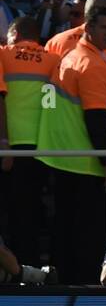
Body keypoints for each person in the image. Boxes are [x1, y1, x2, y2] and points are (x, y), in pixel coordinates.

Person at [36, 3, 106, 284]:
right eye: (104, 28)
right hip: (87, 163)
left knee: (66, 230)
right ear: (87, 28)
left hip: (68, 158)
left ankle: (63, 283)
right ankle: (87, 289)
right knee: (89, 235)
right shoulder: (92, 64)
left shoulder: (74, 56)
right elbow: (96, 117)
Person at [0, 14, 59, 267]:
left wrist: (4, 140)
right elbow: (54, 104)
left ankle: (12, 268)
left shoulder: (3, 54)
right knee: (33, 209)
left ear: (14, 35)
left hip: (9, 147)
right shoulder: (53, 60)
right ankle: (32, 266)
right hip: (42, 146)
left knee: (9, 209)